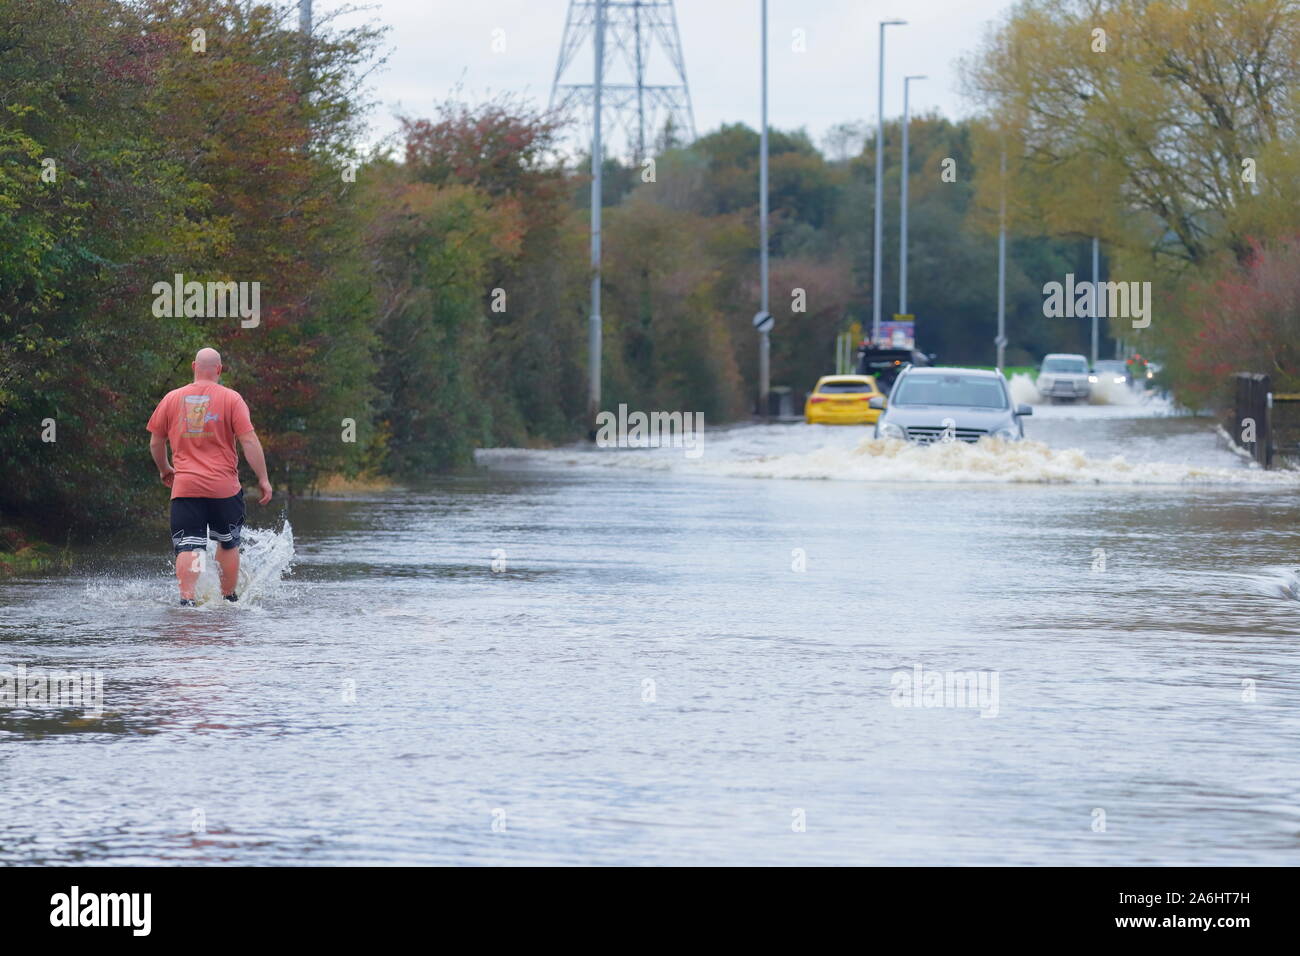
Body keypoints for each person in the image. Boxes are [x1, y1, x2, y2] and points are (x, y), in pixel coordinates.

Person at [147, 348, 273, 606]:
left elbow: (155, 442)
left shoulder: (172, 398)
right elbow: (249, 440)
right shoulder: (231, 399)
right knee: (227, 543)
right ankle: (229, 599)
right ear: (219, 369)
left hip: (186, 487)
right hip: (224, 488)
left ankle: (187, 600)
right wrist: (263, 478)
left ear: (193, 366)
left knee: (189, 545)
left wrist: (165, 468)